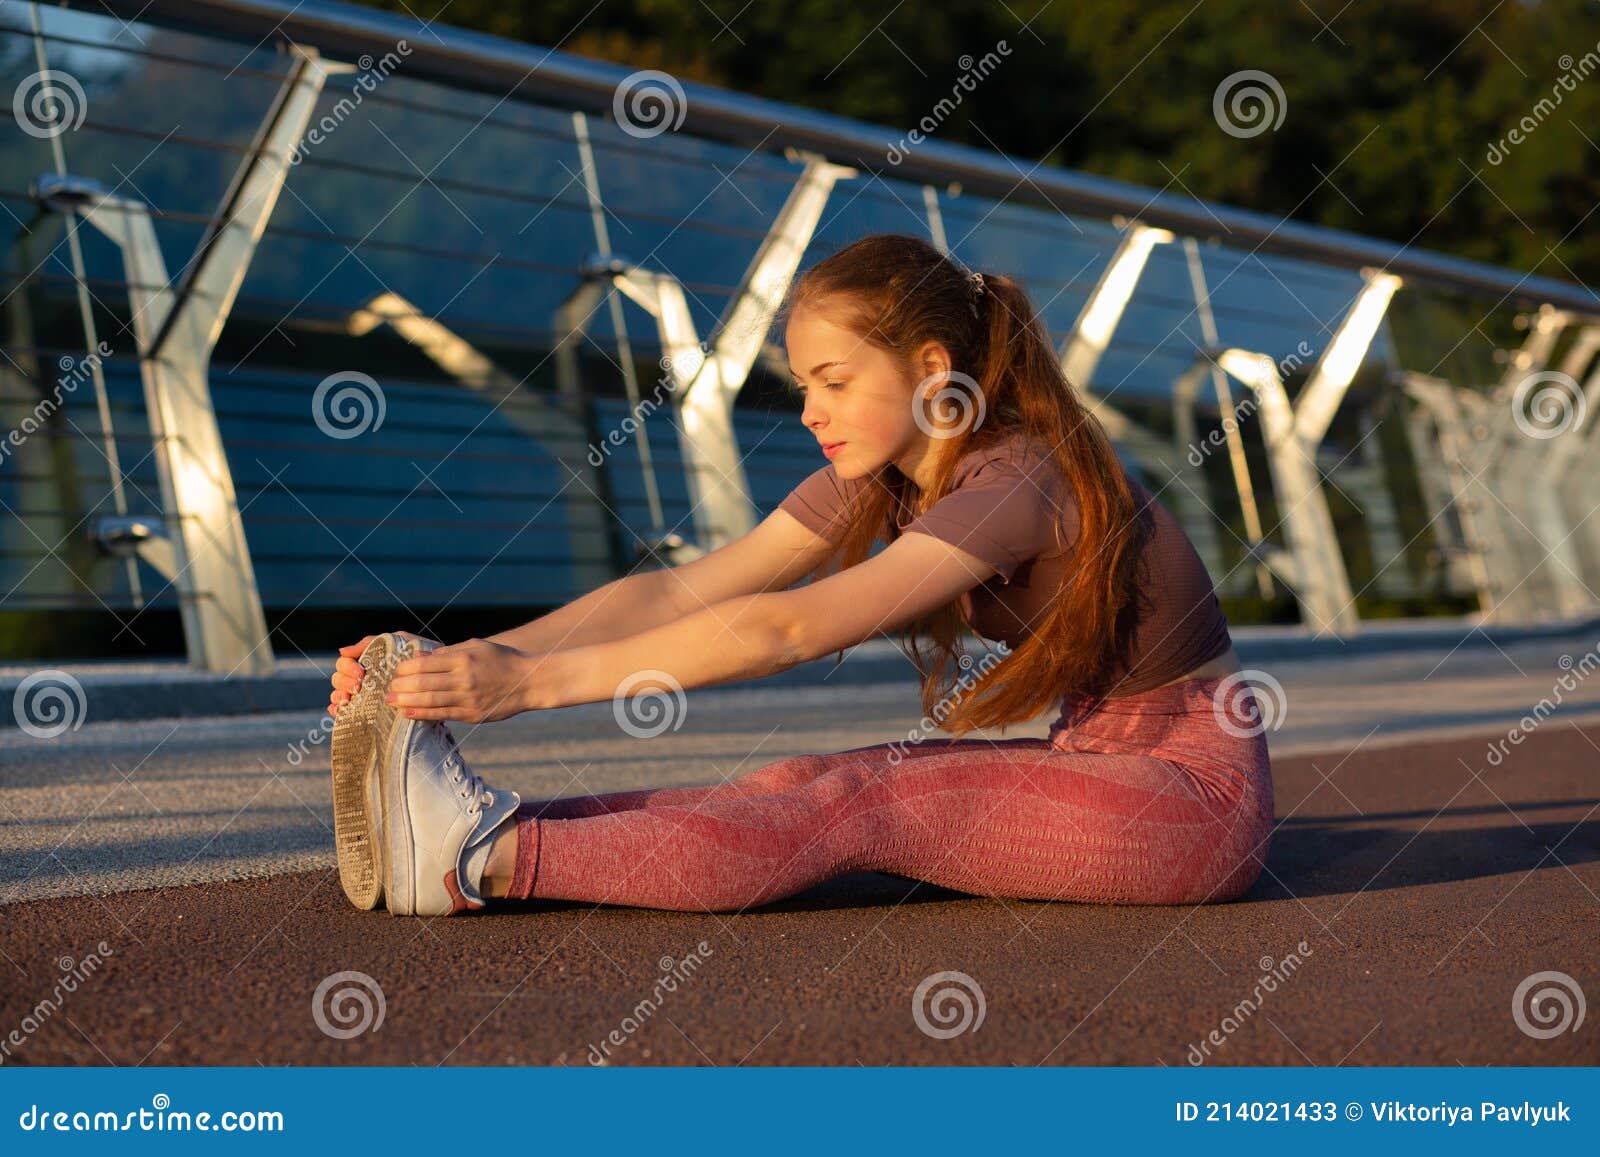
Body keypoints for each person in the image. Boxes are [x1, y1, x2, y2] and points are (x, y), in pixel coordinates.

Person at [325, 232, 1274, 918]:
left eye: (835, 380)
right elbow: (688, 588)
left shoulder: (1021, 476)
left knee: (863, 803)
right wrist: (466, 661)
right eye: (803, 385)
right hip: (1099, 758)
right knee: (809, 777)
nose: (812, 411)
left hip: (1193, 795)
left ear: (930, 369)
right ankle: (473, 828)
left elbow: (792, 627)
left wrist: (529, 686)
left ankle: (476, 858)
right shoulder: (892, 474)